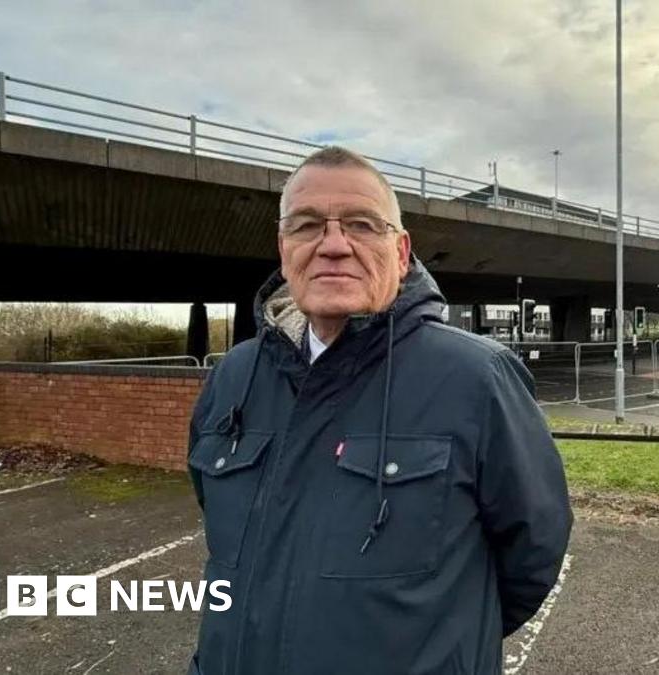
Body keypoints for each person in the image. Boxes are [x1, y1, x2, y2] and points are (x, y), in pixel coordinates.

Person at [186, 146, 573, 675]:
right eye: (306, 226)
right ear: (283, 248)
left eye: (362, 224)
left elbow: (532, 551)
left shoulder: (477, 379)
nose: (334, 245)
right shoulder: (233, 377)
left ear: (400, 249)